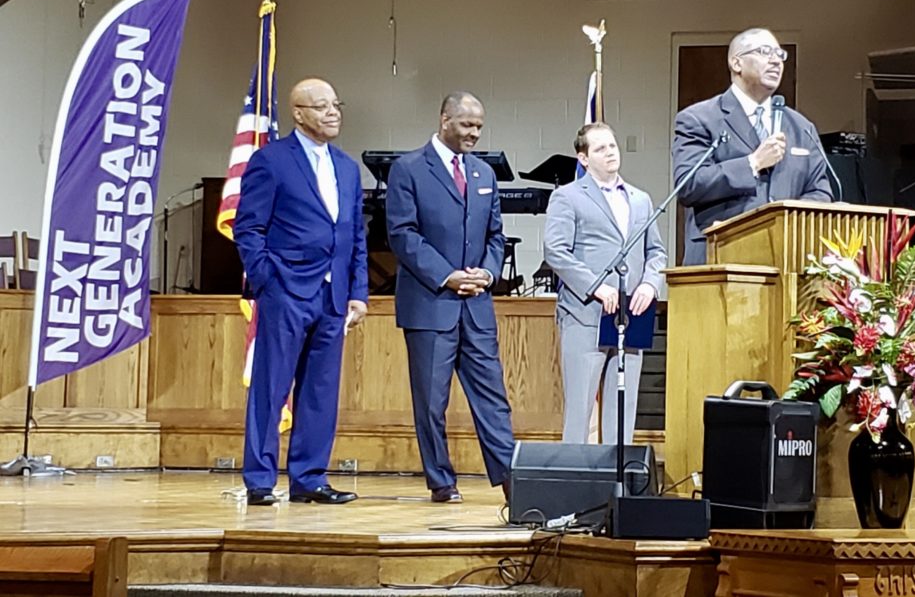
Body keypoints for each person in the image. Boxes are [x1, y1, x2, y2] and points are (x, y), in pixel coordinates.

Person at [233, 77, 368, 506]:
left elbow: (354, 236)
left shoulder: (346, 167)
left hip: (333, 295)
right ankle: (259, 480)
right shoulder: (271, 160)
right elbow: (248, 227)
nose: (333, 113)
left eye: (336, 104)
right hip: (286, 291)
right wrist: (267, 280)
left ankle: (309, 479)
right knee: (271, 388)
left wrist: (358, 292)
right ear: (298, 113)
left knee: (320, 393)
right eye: (322, 106)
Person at [385, 91, 514, 503]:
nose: (475, 133)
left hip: (476, 307)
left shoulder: (484, 174)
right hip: (430, 304)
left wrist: (488, 273)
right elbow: (402, 234)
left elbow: (496, 235)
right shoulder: (408, 169)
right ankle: (442, 481)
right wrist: (447, 276)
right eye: (467, 125)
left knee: (493, 398)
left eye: (479, 126)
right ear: (445, 119)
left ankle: (512, 479)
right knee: (431, 402)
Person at [543, 122, 667, 444]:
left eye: (612, 145)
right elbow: (555, 251)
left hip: (632, 314)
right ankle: (573, 485)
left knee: (622, 408)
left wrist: (650, 285)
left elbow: (656, 252)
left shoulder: (640, 199)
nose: (610, 152)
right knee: (581, 408)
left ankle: (619, 483)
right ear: (583, 159)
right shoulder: (567, 197)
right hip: (586, 315)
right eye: (600, 148)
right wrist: (596, 285)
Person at [672, 27, 834, 266]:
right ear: (736, 63)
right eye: (764, 52)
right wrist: (753, 163)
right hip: (720, 260)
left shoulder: (801, 127)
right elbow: (689, 184)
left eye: (780, 54)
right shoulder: (699, 118)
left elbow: (821, 192)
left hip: (786, 262)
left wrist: (785, 219)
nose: (775, 61)